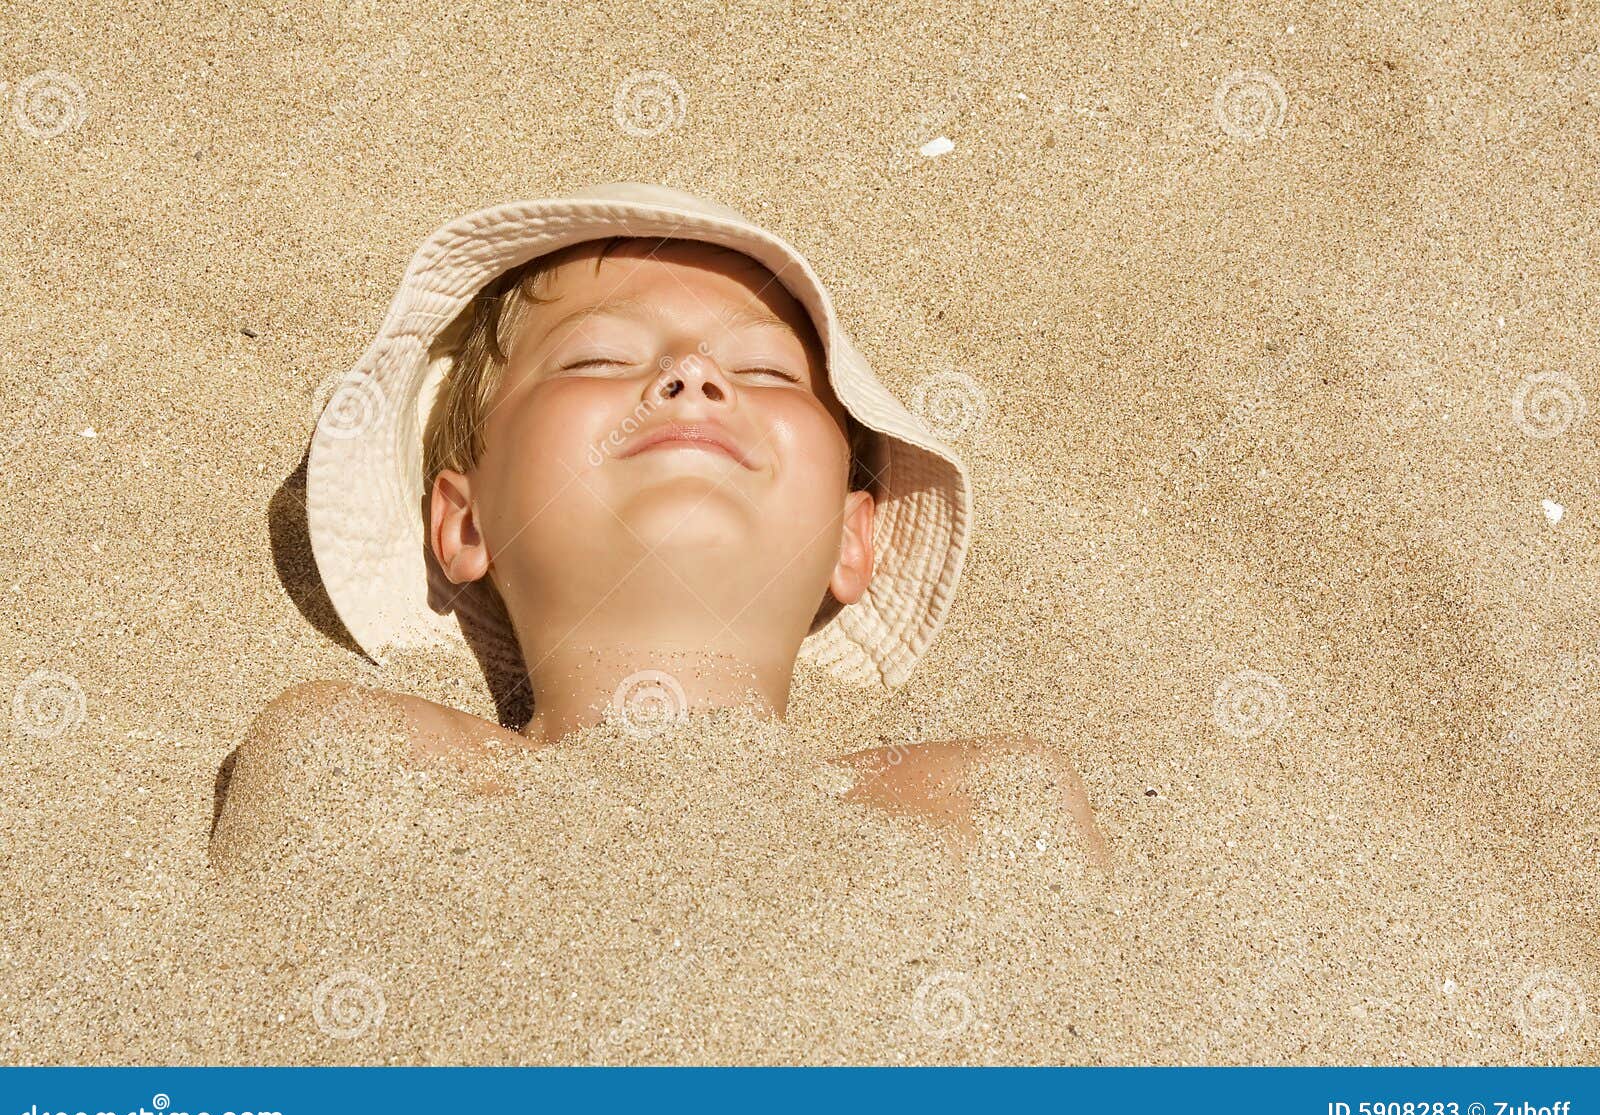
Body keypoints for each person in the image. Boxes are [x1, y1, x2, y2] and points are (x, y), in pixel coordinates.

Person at [227, 184, 1106, 869]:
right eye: (598, 356)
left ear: (852, 539)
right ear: (463, 521)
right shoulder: (353, 761)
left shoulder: (995, 802)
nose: (691, 373)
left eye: (765, 370)